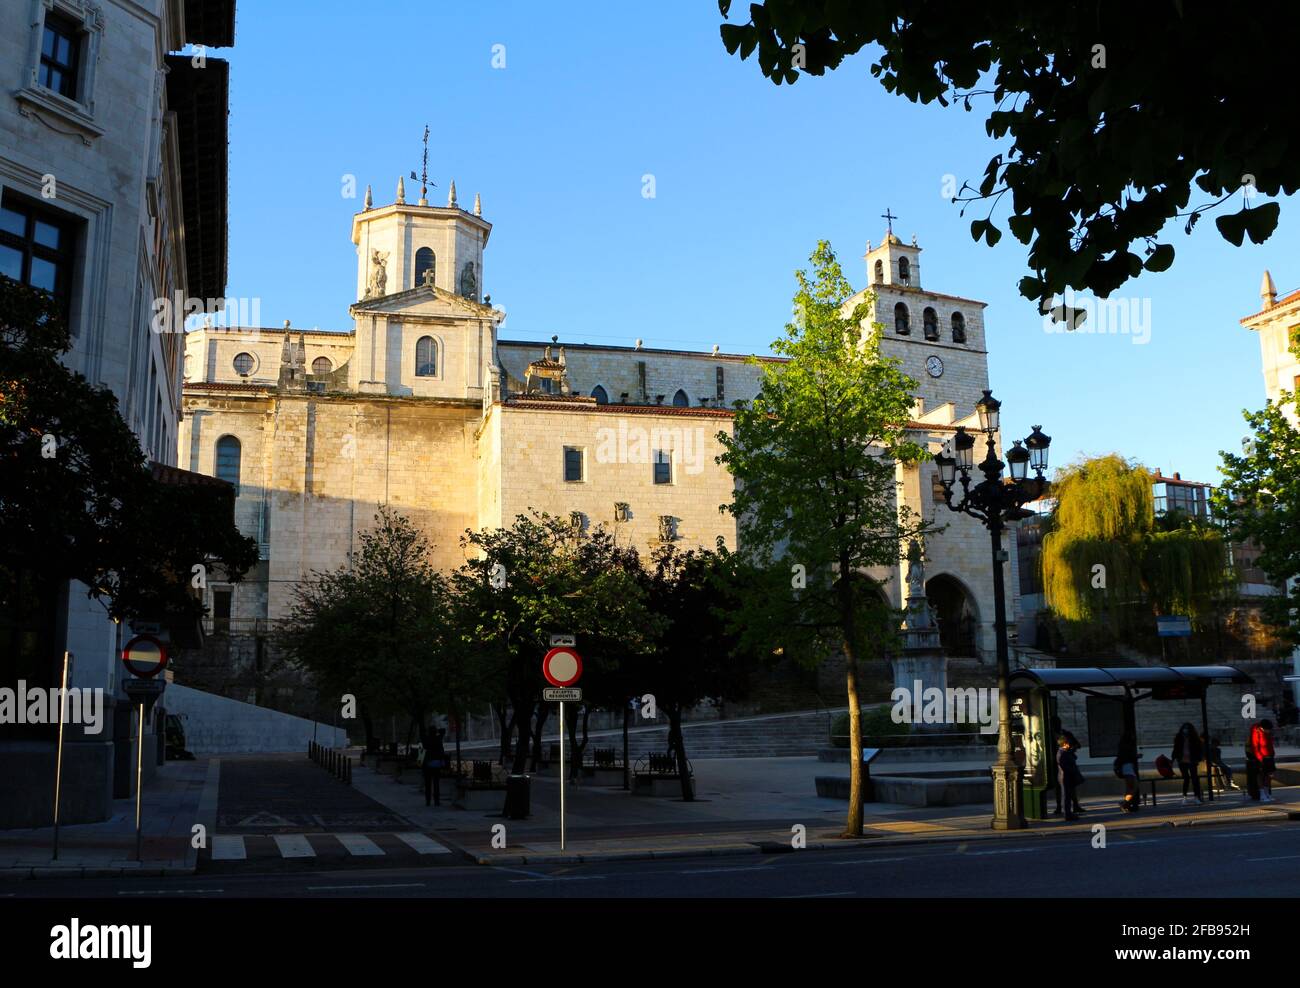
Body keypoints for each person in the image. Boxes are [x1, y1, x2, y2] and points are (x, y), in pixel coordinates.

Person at [1171, 722, 1203, 804]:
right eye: (1185, 728)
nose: (1186, 730)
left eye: (1187, 728)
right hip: (1182, 761)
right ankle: (1184, 797)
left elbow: (1199, 749)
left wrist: (1199, 758)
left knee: (1194, 779)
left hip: (1192, 760)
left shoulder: (1195, 738)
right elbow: (1176, 749)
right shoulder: (1178, 738)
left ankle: (1196, 797)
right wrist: (1174, 758)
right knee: (1186, 779)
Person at [1056, 735, 1084, 821]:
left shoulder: (1066, 751)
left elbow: (1074, 758)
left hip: (1068, 777)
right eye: (1067, 744)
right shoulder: (1061, 753)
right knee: (1066, 796)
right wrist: (1072, 770)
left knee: (1069, 795)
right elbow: (1064, 766)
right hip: (1065, 777)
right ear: (1063, 744)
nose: (1069, 745)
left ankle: (1069, 812)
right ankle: (1067, 814)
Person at [421, 725, 448, 807]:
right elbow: (443, 730)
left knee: (428, 783)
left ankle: (428, 801)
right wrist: (438, 731)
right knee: (436, 783)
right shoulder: (438, 739)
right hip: (436, 763)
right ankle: (436, 801)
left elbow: (423, 740)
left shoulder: (426, 739)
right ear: (435, 732)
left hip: (427, 763)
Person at [1115, 730, 1141, 812]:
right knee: (1132, 788)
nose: (1134, 737)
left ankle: (1126, 803)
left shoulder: (1122, 746)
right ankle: (1125, 803)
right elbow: (1129, 756)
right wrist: (1136, 756)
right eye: (1132, 735)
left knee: (1131, 788)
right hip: (1128, 767)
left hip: (1127, 767)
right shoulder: (1127, 746)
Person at [1253, 719, 1277, 803]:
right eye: (1268, 729)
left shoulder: (1268, 733)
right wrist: (1260, 759)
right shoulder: (1257, 733)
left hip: (1270, 757)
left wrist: (1272, 754)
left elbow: (1270, 744)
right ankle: (1262, 795)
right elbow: (1256, 747)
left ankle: (1267, 793)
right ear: (1262, 728)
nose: (1269, 730)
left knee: (1269, 776)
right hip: (1262, 758)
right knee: (1261, 775)